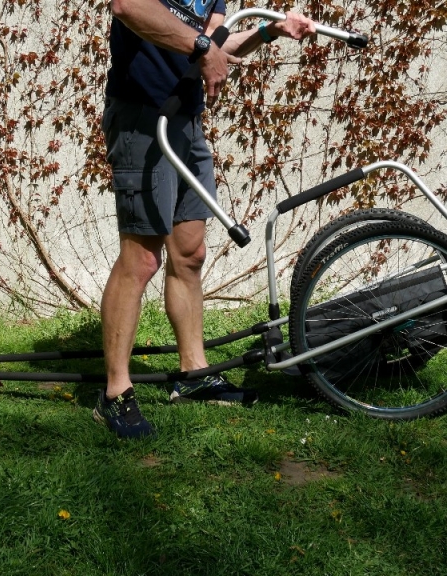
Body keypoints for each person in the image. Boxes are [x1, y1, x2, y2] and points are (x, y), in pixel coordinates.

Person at [93, 0, 317, 439]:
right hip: (142, 117)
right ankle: (115, 392)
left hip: (186, 120)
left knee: (190, 251)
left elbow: (217, 42)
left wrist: (270, 31)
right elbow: (128, 8)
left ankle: (193, 375)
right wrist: (202, 48)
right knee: (140, 259)